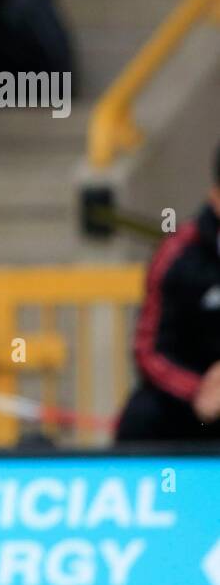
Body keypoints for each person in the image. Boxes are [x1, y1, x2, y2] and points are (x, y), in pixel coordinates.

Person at [115, 145, 220, 444]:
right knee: (141, 417)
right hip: (192, 401)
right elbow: (148, 350)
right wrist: (199, 389)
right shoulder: (178, 255)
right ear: (215, 198)